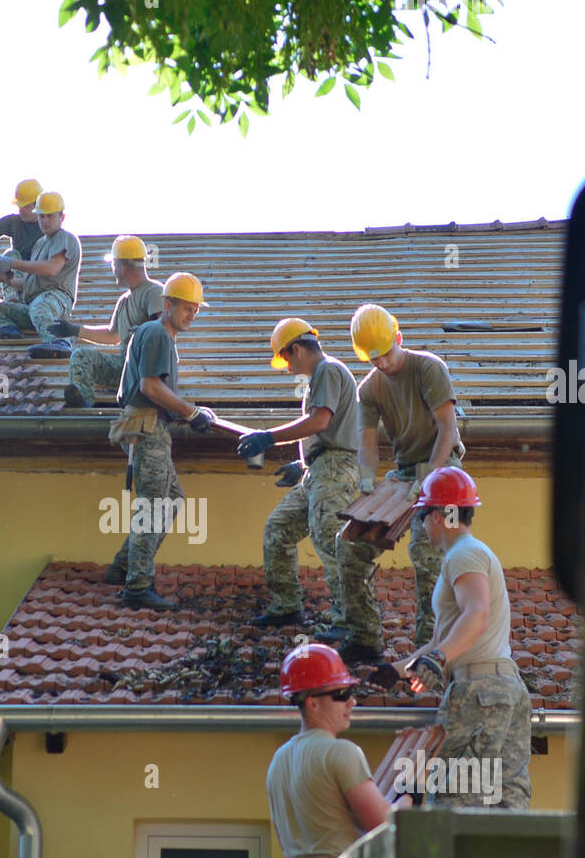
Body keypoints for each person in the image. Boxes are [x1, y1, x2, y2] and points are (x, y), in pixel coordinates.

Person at [328, 303, 465, 666]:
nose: (383, 364)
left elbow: (448, 430)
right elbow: (368, 443)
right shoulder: (369, 389)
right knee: (349, 545)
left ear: (399, 338)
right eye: (374, 359)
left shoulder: (428, 368)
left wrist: (429, 480)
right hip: (403, 473)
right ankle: (364, 637)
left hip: (444, 469)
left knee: (429, 554)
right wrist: (365, 481)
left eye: (387, 354)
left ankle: (432, 649)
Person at [397, 467, 532, 810]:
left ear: (441, 516)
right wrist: (396, 669)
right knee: (505, 806)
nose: (422, 525)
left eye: (423, 515)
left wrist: (439, 659)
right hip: (506, 690)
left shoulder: (463, 554)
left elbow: (476, 614)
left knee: (453, 804)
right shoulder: (470, 553)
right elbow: (444, 640)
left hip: (478, 692)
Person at [236, 319, 359, 628]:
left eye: (286, 357)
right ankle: (287, 605)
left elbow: (320, 422)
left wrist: (268, 437)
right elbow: (325, 428)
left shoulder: (327, 370)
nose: (287, 365)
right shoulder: (322, 375)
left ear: (297, 348)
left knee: (330, 541)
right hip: (319, 469)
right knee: (277, 530)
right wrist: (301, 464)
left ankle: (349, 623)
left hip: (334, 469)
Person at [267, 643, 412, 858]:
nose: (352, 701)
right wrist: (409, 794)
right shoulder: (340, 752)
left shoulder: (278, 760)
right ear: (312, 703)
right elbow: (386, 827)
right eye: (341, 693)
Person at [106, 272, 214, 611]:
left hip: (151, 427)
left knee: (172, 499)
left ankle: (122, 565)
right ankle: (137, 584)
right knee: (154, 507)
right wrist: (192, 413)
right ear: (167, 304)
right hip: (147, 428)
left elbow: (158, 389)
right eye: (186, 307)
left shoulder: (158, 336)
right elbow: (152, 388)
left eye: (196, 309)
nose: (191, 314)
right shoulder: (157, 334)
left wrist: (191, 411)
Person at [59, 237, 164, 402]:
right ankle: (82, 404)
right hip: (126, 366)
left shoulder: (154, 292)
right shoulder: (124, 300)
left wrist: (141, 334)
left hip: (147, 370)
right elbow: (112, 335)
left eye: (113, 265)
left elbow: (163, 330)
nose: (112, 270)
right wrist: (75, 330)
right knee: (81, 356)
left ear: (121, 267)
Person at [0, 191, 82, 341]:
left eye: (50, 215)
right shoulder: (39, 245)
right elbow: (30, 282)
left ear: (62, 217)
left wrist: (13, 263)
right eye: (41, 216)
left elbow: (51, 269)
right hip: (33, 305)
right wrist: (3, 279)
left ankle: (59, 342)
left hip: (55, 300)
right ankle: (8, 329)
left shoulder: (65, 238)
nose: (45, 220)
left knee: (40, 307)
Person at [0, 178, 44, 260]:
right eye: (19, 206)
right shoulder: (14, 222)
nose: (21, 210)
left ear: (38, 206)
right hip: (17, 268)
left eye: (26, 206)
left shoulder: (47, 228)